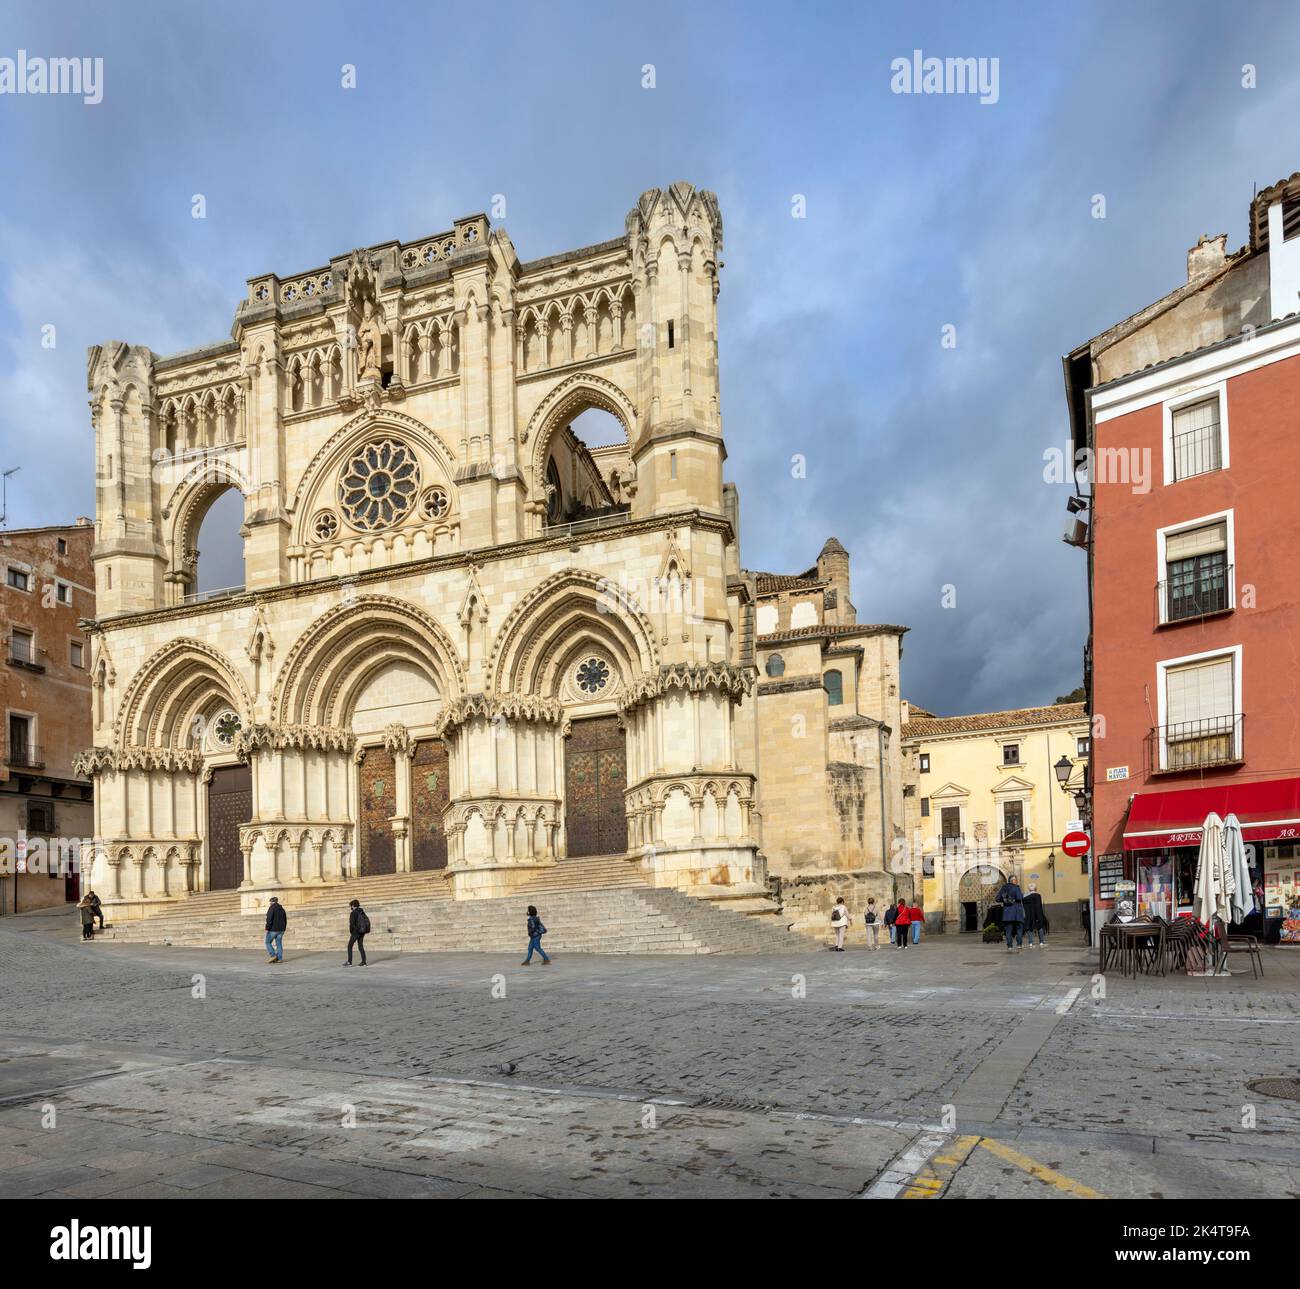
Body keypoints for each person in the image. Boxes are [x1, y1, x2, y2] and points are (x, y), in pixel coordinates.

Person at [996, 875, 1025, 952]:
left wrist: (1005, 900)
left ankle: (1009, 946)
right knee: (1019, 928)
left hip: (1007, 913)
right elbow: (1019, 898)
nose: (1017, 881)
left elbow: (997, 899)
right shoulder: (1016, 887)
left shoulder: (1003, 888)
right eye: (1016, 880)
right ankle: (1019, 944)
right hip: (1016, 912)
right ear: (1014, 881)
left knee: (1008, 930)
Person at [344, 899, 370, 966]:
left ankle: (349, 962)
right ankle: (364, 962)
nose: (350, 907)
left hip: (356, 932)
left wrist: (352, 932)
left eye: (351, 906)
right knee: (360, 946)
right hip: (362, 931)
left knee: (350, 946)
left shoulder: (353, 913)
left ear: (353, 906)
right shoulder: (362, 911)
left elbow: (351, 924)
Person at [265, 896, 287, 963]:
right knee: (279, 943)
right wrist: (284, 928)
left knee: (267, 942)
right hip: (281, 930)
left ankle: (273, 955)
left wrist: (267, 927)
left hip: (273, 929)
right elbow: (285, 920)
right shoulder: (282, 909)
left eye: (270, 902)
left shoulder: (272, 908)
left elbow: (269, 919)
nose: (270, 903)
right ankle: (279, 958)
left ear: (271, 902)